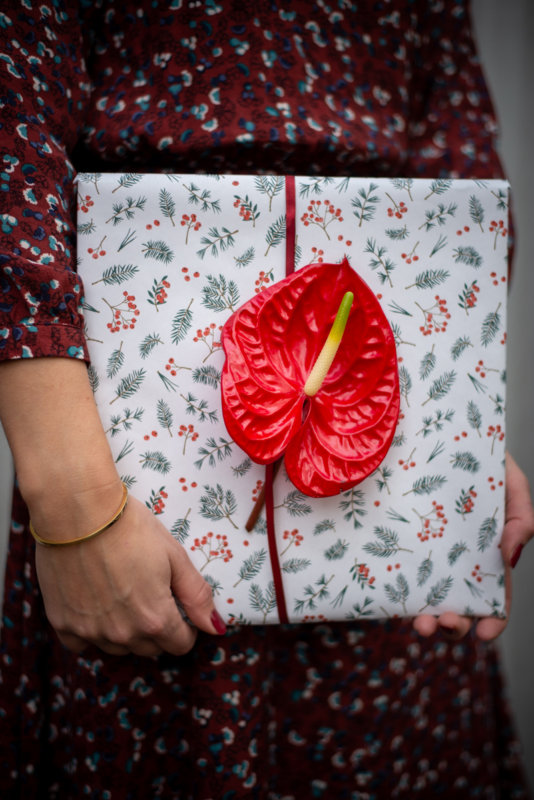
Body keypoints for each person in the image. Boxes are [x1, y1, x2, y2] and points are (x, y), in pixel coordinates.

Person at [1, 0, 533, 797]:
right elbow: (14, 155)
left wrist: (461, 434)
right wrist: (76, 507)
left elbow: (461, 188)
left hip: (380, 568)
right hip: (131, 515)